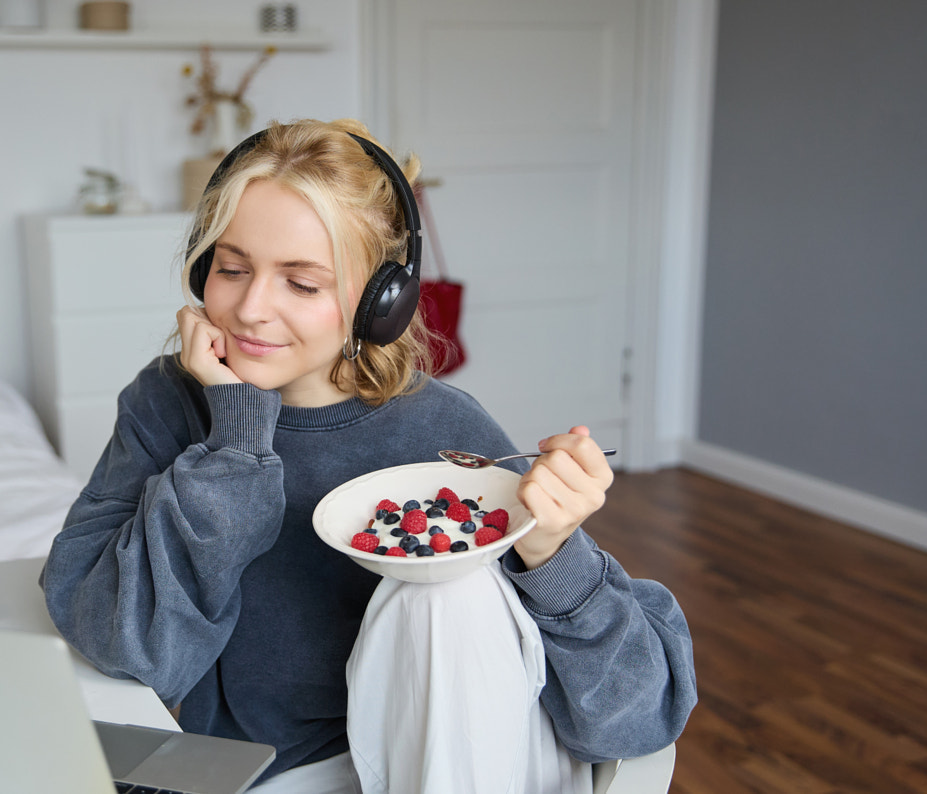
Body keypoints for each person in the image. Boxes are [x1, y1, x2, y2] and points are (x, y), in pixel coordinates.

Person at [40, 119, 695, 793]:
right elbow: (132, 655)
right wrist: (234, 439)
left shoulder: (445, 435)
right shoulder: (168, 403)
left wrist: (556, 554)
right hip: (254, 772)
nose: (251, 309)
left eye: (302, 283)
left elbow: (637, 719)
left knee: (450, 593)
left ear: (380, 301)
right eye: (232, 269)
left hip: (444, 764)